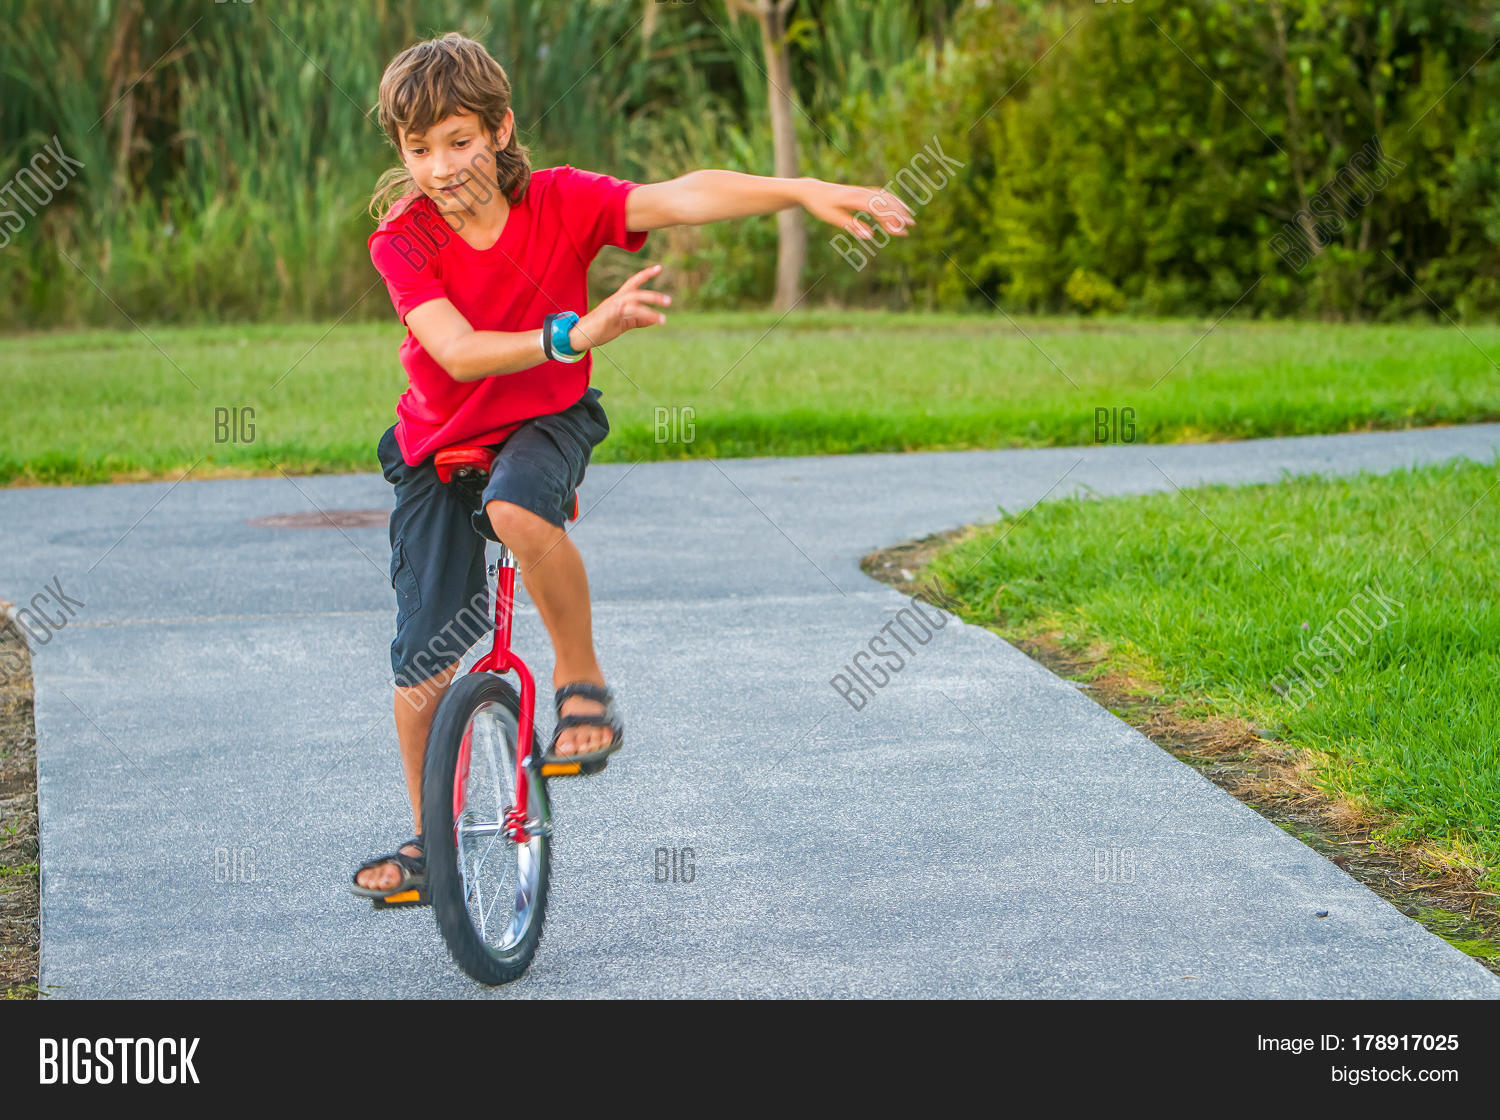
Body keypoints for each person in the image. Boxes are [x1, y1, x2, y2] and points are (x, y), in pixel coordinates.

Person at [351, 32, 914, 899]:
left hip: (545, 415)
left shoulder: (561, 203)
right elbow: (457, 353)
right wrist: (572, 332)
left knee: (516, 511)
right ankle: (433, 840)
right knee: (422, 670)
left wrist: (801, 190)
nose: (438, 167)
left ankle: (581, 683)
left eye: (458, 141)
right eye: (416, 148)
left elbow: (685, 197)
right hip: (437, 443)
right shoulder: (404, 241)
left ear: (499, 131)